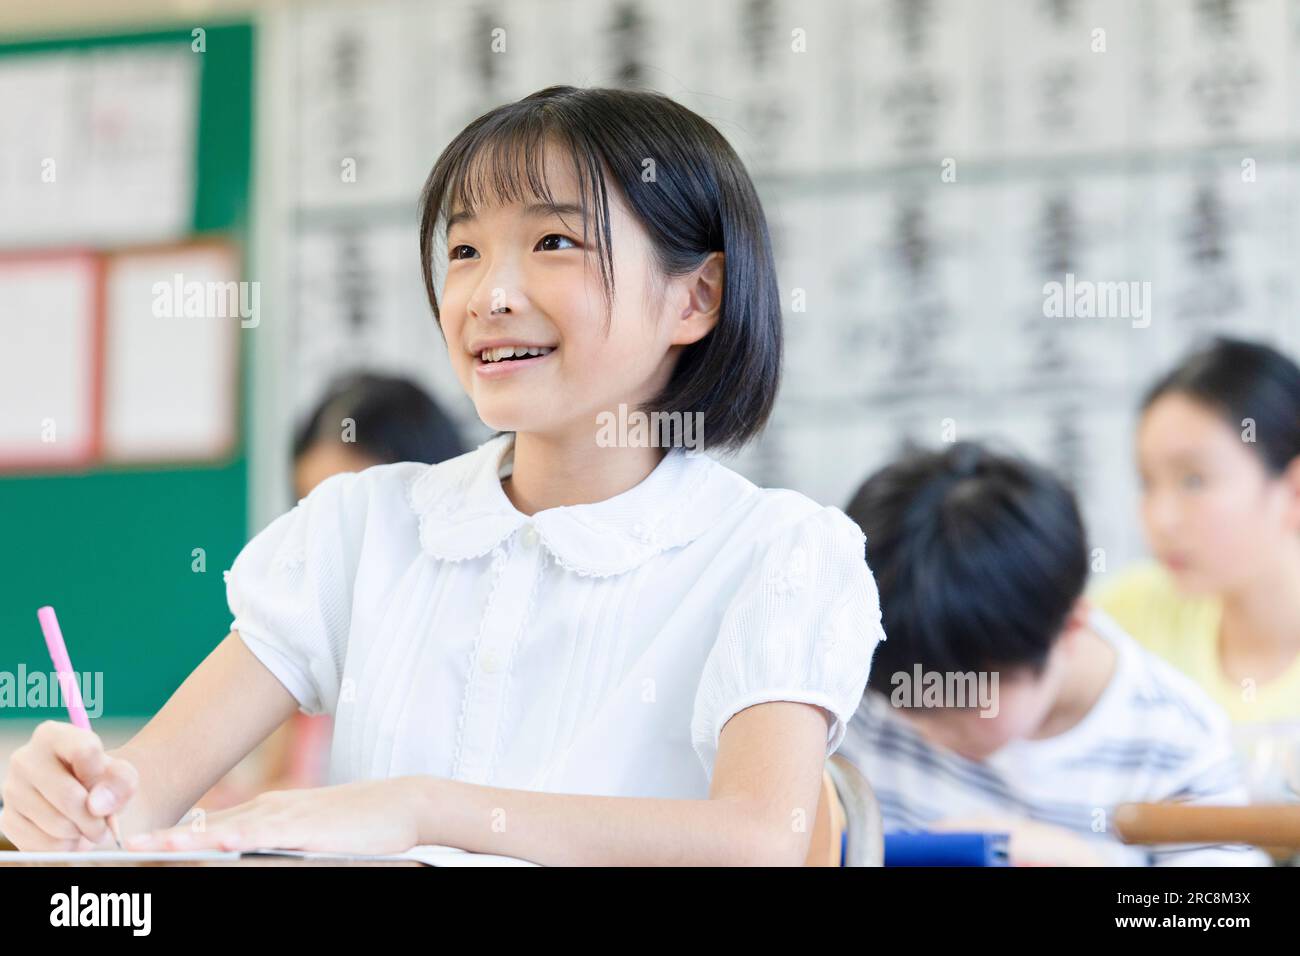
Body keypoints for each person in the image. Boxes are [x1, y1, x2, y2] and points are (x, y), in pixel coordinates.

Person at [1, 86, 884, 865]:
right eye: (464, 251)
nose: (488, 294)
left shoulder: (782, 554)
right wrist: (78, 803)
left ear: (695, 297)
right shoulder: (360, 526)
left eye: (553, 241)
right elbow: (138, 797)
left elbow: (759, 840)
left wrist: (421, 810)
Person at [838, 442, 1266, 866]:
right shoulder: (864, 697)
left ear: (1070, 625)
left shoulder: (1179, 743)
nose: (926, 718)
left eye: (961, 694)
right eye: (906, 697)